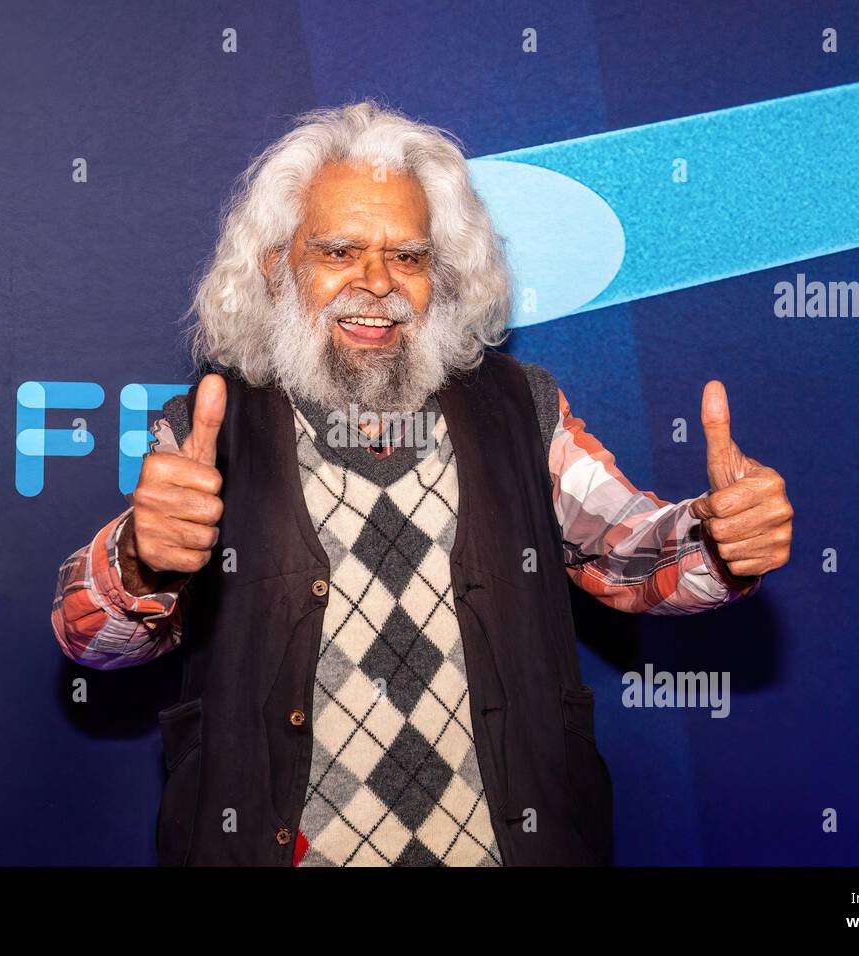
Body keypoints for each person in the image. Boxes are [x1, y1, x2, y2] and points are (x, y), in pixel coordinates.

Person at [52, 101, 793, 867]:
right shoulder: (208, 427)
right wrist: (140, 559)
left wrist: (715, 538)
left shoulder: (521, 407)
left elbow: (624, 552)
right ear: (278, 267)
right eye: (339, 251)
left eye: (407, 257)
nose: (376, 283)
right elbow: (86, 640)